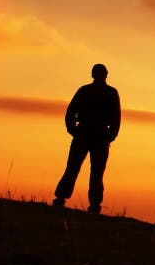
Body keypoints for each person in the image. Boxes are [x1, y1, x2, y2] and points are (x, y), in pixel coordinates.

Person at [52, 64, 121, 214]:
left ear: (93, 74)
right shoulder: (110, 93)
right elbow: (116, 119)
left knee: (73, 168)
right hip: (95, 136)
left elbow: (70, 112)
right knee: (95, 173)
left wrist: (74, 131)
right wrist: (108, 137)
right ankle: (94, 205)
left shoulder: (85, 90)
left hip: (86, 135)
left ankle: (61, 198)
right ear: (105, 75)